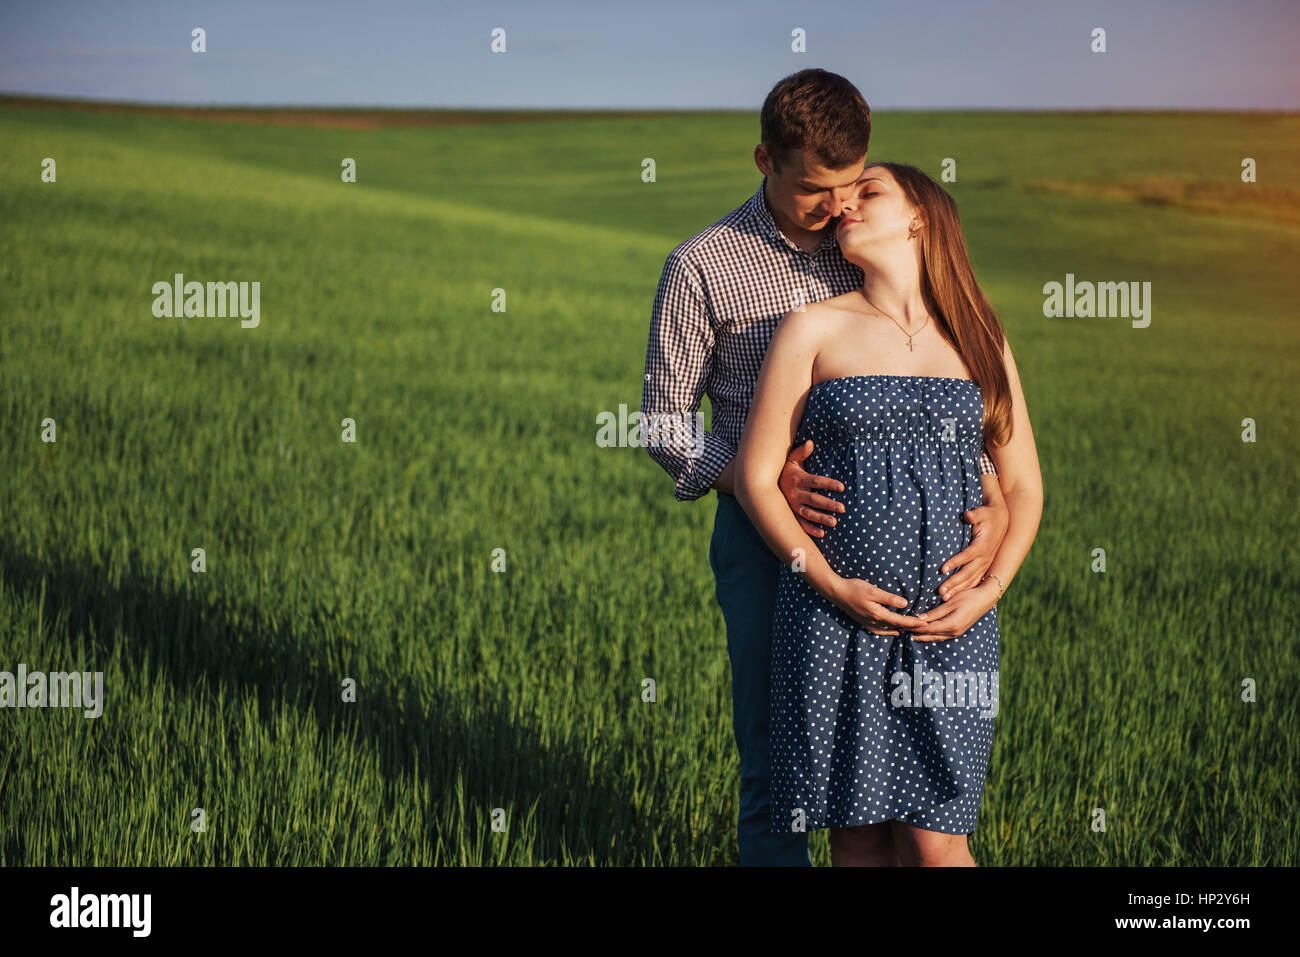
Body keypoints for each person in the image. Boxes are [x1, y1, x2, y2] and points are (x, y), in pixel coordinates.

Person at [640, 69, 1011, 867]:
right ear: (763, 160)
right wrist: (755, 477)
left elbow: (950, 396)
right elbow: (663, 424)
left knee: (885, 788)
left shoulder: (864, 245)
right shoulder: (702, 266)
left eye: (851, 186)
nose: (838, 205)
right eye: (814, 189)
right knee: (779, 764)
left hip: (894, 549)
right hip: (759, 533)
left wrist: (1000, 504)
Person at [732, 160, 1044, 866]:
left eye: (869, 192)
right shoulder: (811, 327)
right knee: (860, 836)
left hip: (951, 621)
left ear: (920, 217)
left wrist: (989, 592)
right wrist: (831, 584)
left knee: (937, 840)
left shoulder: (979, 335)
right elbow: (757, 476)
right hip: (831, 615)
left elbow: (1024, 486)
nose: (847, 204)